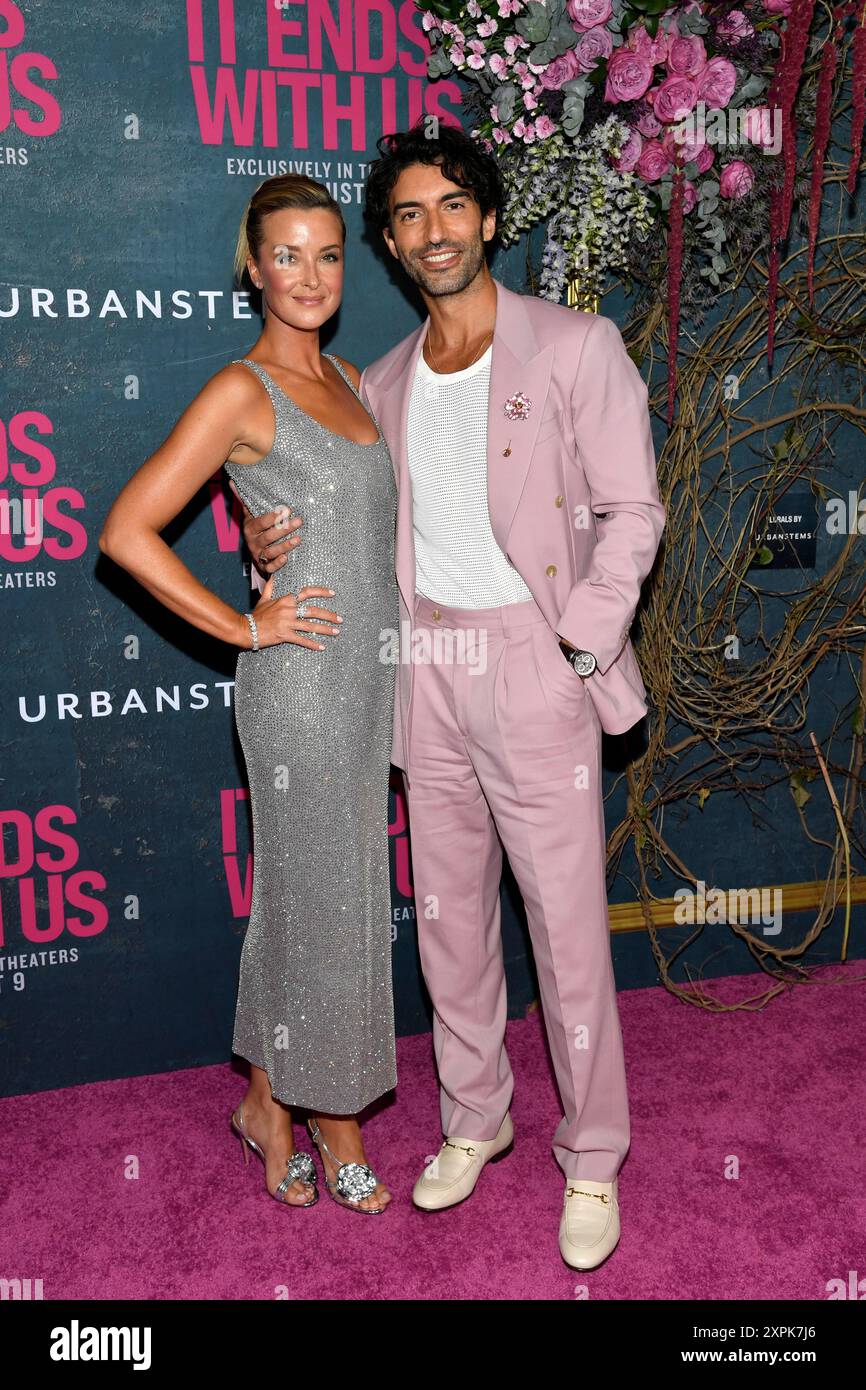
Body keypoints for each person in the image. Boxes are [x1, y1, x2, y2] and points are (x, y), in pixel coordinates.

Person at [242, 121, 666, 1268]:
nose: (432, 232)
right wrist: (268, 546)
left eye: (451, 207)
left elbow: (632, 511)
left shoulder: (574, 347)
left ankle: (590, 1157)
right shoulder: (375, 384)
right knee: (448, 927)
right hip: (421, 671)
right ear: (388, 241)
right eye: (407, 217)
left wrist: (578, 642)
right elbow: (350, 527)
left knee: (566, 935)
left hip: (535, 667)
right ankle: (472, 1118)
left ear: (486, 216)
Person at [99, 174, 399, 1215]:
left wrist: (263, 546)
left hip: (369, 684)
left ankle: (266, 1099)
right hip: (300, 689)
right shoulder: (240, 390)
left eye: (326, 254)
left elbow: (349, 535)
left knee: (320, 896)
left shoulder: (354, 379)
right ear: (252, 265)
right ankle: (336, 1115)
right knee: (326, 902)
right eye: (286, 255)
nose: (308, 275)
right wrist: (244, 622)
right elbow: (126, 530)